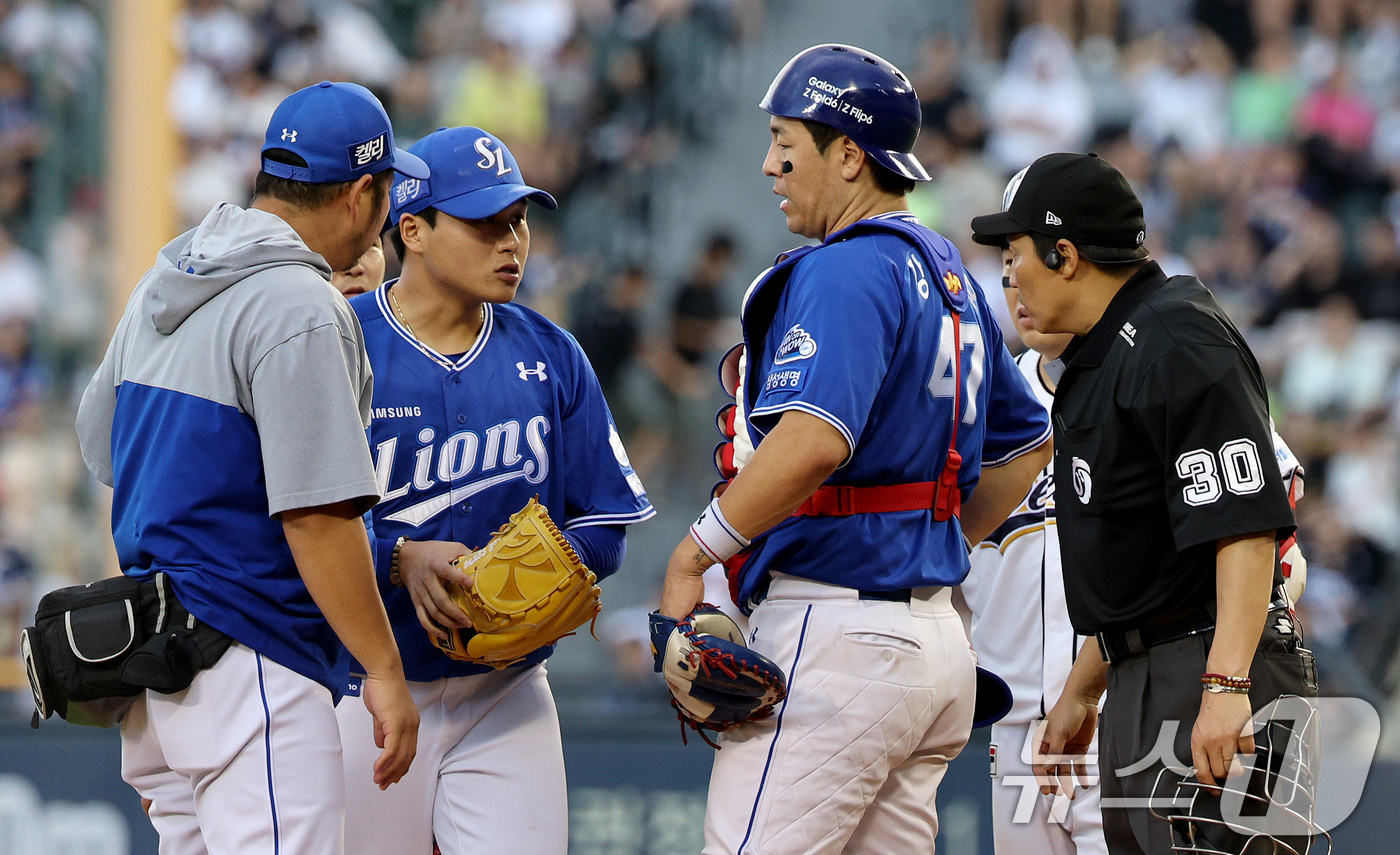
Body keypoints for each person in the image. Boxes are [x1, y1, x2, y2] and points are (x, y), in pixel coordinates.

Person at [656, 44, 1053, 855]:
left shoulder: (847, 270)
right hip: (933, 646)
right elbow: (1028, 445)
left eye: (785, 143)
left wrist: (695, 553)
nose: (768, 165)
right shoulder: (950, 274)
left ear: (847, 155)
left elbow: (812, 443)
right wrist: (932, 542)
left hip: (837, 634)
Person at [75, 80, 427, 855]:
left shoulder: (167, 280)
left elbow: (99, 443)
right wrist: (384, 668)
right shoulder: (297, 302)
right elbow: (317, 518)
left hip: (158, 667)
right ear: (362, 193)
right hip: (250, 660)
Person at [969, 152, 1317, 855]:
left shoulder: (1176, 337)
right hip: (1135, 674)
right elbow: (1144, 569)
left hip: (1202, 671)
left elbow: (1248, 530)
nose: (1008, 276)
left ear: (1065, 254)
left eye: (1017, 253)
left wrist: (1225, 683)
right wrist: (1083, 690)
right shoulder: (1102, 365)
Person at [335, 125, 655, 855]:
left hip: (507, 693)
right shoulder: (339, 341)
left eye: (519, 220)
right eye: (485, 222)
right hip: (361, 682)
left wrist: (521, 578)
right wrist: (397, 555)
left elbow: (605, 525)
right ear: (411, 229)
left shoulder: (551, 353)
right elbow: (285, 519)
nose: (512, 240)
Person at [960, 245, 1109, 855]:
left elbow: (1272, 543)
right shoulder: (975, 408)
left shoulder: (1154, 379)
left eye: (1027, 277)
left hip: (1121, 713)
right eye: (1004, 282)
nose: (1017, 297)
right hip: (1014, 717)